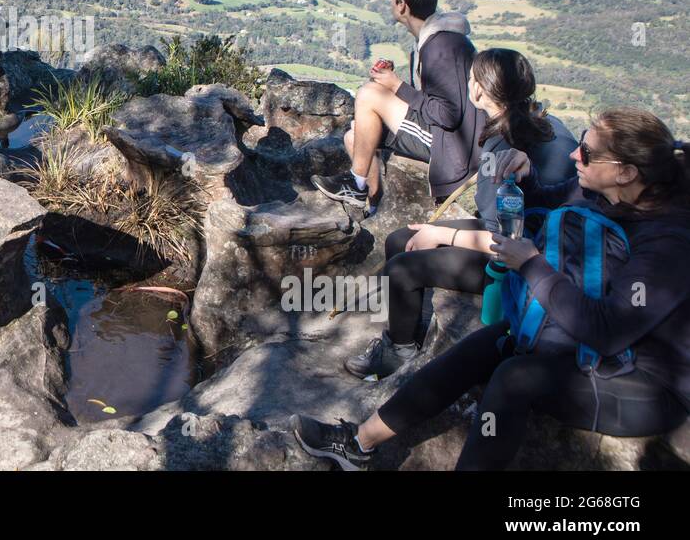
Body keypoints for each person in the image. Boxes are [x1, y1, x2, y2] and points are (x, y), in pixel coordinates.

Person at [292, 109, 690, 470]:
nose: (574, 156)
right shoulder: (598, 192)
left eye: (587, 152)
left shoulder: (666, 242)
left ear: (626, 172)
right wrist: (525, 180)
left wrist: (531, 265)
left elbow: (607, 331)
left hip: (646, 381)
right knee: (480, 348)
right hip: (580, 339)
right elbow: (544, 205)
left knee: (515, 378)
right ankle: (358, 445)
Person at [342, 48, 578, 379]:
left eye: (470, 78)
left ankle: (398, 355)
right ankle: (412, 335)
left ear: (479, 90)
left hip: (524, 263)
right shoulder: (544, 122)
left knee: (403, 267)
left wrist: (440, 234)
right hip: (542, 238)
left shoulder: (501, 146)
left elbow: (503, 241)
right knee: (400, 239)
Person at [313, 0, 479, 215]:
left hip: (451, 146)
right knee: (354, 137)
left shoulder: (441, 47)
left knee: (369, 93)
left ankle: (355, 184)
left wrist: (395, 86)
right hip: (442, 134)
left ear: (402, 6)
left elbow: (448, 115)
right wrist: (392, 81)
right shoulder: (434, 40)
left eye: (392, 0)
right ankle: (374, 205)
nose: (392, 5)